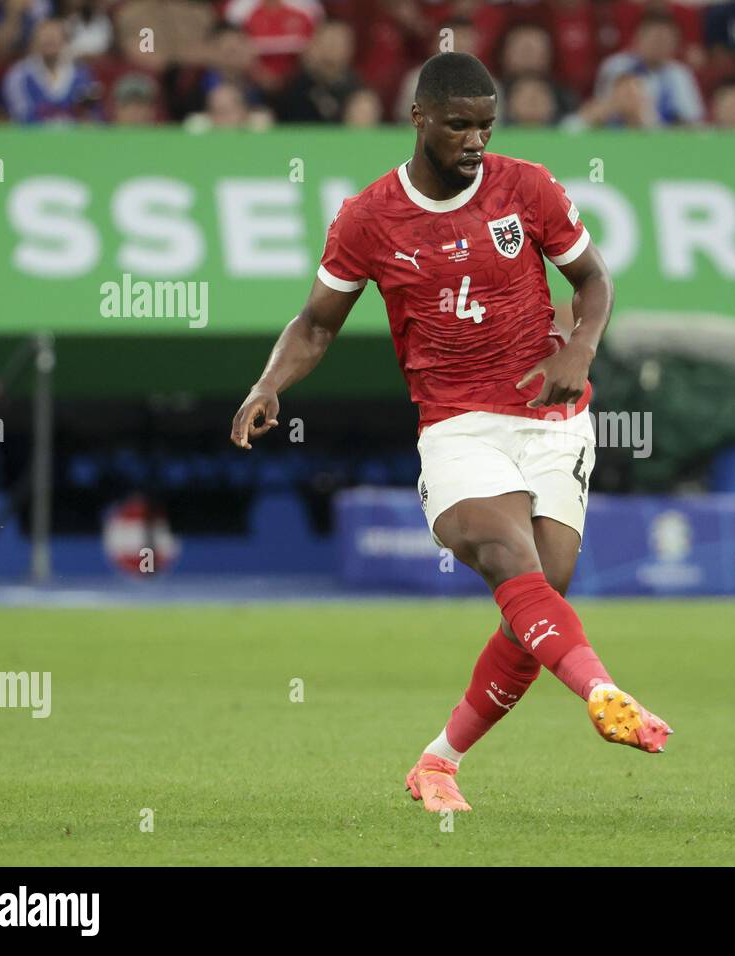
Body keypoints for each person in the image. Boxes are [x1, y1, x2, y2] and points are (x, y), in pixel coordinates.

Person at [230, 52, 672, 813]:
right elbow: (315, 323)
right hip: (458, 423)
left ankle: (438, 762)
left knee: (540, 601)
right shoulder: (369, 219)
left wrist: (580, 345)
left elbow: (593, 280)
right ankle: (602, 690)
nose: (474, 141)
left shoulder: (526, 187)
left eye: (485, 126)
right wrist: (270, 383)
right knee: (509, 558)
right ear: (419, 121)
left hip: (554, 419)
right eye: (460, 125)